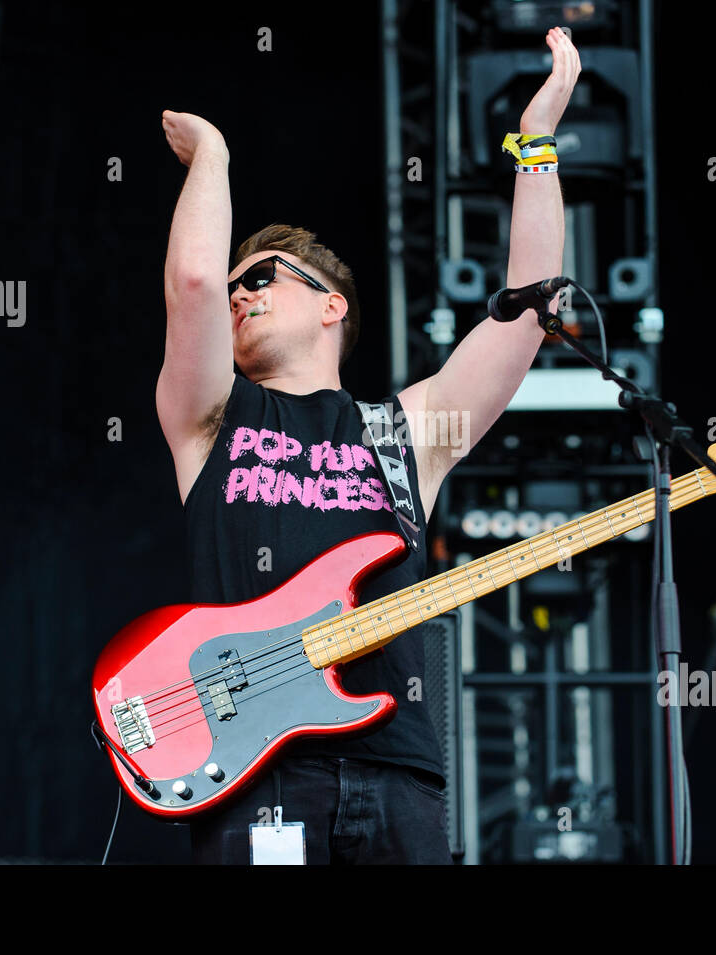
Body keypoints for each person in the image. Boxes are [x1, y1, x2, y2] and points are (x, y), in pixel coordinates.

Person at [156, 27, 581, 864]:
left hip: (397, 781)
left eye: (266, 276)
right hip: (256, 780)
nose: (240, 292)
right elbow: (197, 281)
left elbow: (531, 310)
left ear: (332, 307)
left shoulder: (402, 432)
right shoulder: (209, 415)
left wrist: (536, 141)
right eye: (239, 282)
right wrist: (214, 156)